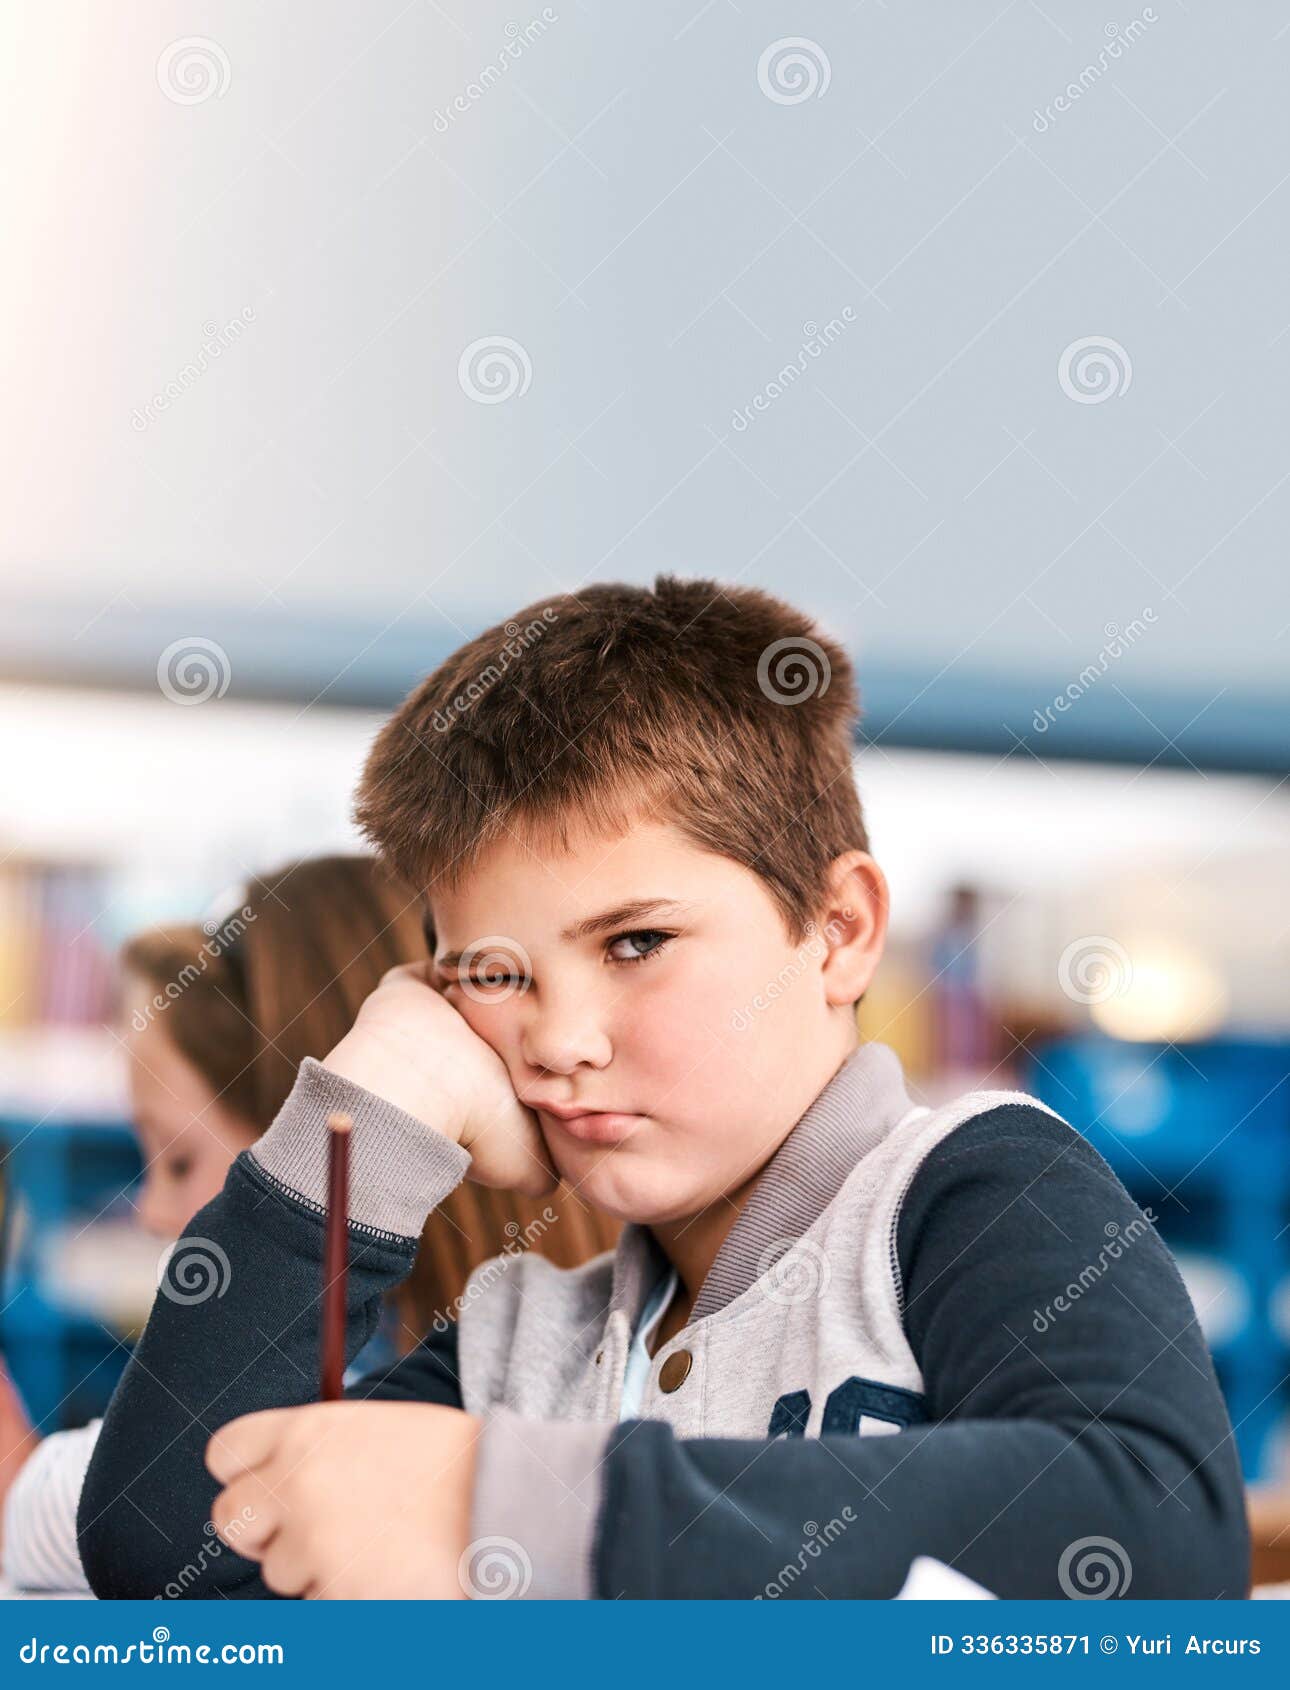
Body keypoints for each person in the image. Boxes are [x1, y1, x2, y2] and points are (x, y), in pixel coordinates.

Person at [79, 578, 1249, 1600]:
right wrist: (366, 1118)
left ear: (838, 931)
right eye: (493, 973)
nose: (558, 1041)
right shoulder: (521, 1338)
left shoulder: (971, 1189)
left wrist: (512, 1505)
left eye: (636, 942)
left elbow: (1151, 1529)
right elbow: (169, 1554)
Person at [2, 854, 615, 1591]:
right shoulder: (477, 1359)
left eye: (180, 1160)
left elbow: (117, 1511)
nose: (153, 1211)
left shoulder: (454, 1394)